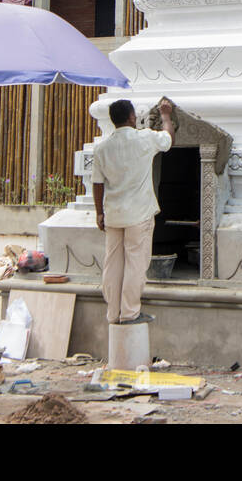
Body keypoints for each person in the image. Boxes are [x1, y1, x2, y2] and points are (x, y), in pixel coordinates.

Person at [91, 97, 176, 326]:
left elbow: (97, 184)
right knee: (135, 264)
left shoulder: (102, 149)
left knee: (113, 265)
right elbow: (168, 138)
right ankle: (129, 313)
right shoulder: (145, 138)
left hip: (114, 215)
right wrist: (166, 116)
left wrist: (99, 213)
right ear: (131, 117)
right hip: (139, 214)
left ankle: (113, 313)